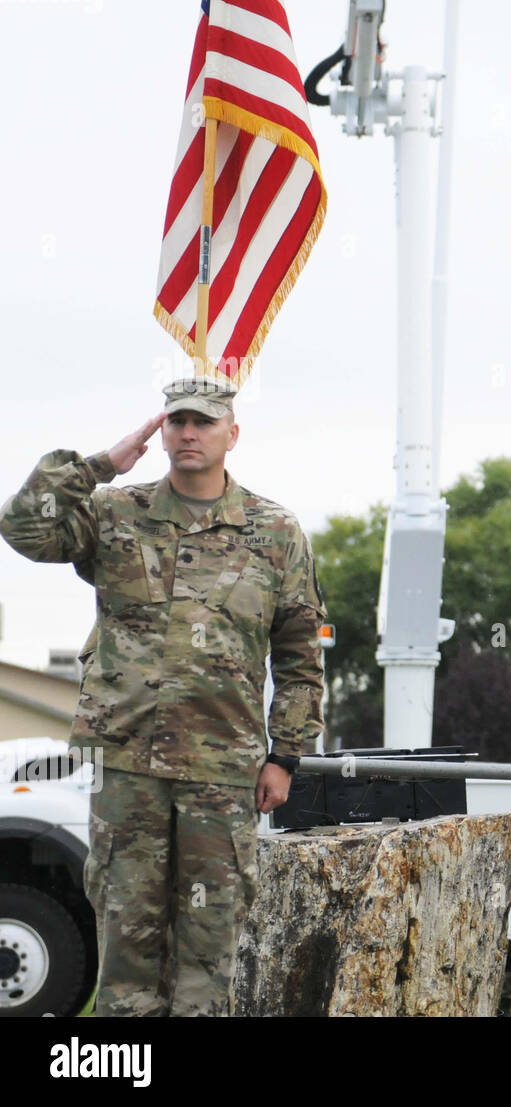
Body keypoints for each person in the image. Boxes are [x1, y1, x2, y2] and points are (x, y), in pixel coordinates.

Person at [0, 377, 326, 1016]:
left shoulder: (274, 532)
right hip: (126, 766)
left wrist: (286, 756)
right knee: (126, 945)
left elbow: (299, 655)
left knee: (210, 946)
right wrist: (96, 466)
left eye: (204, 422)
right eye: (177, 420)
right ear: (162, 430)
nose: (188, 433)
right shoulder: (116, 514)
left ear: (232, 434)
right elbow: (22, 528)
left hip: (222, 772)